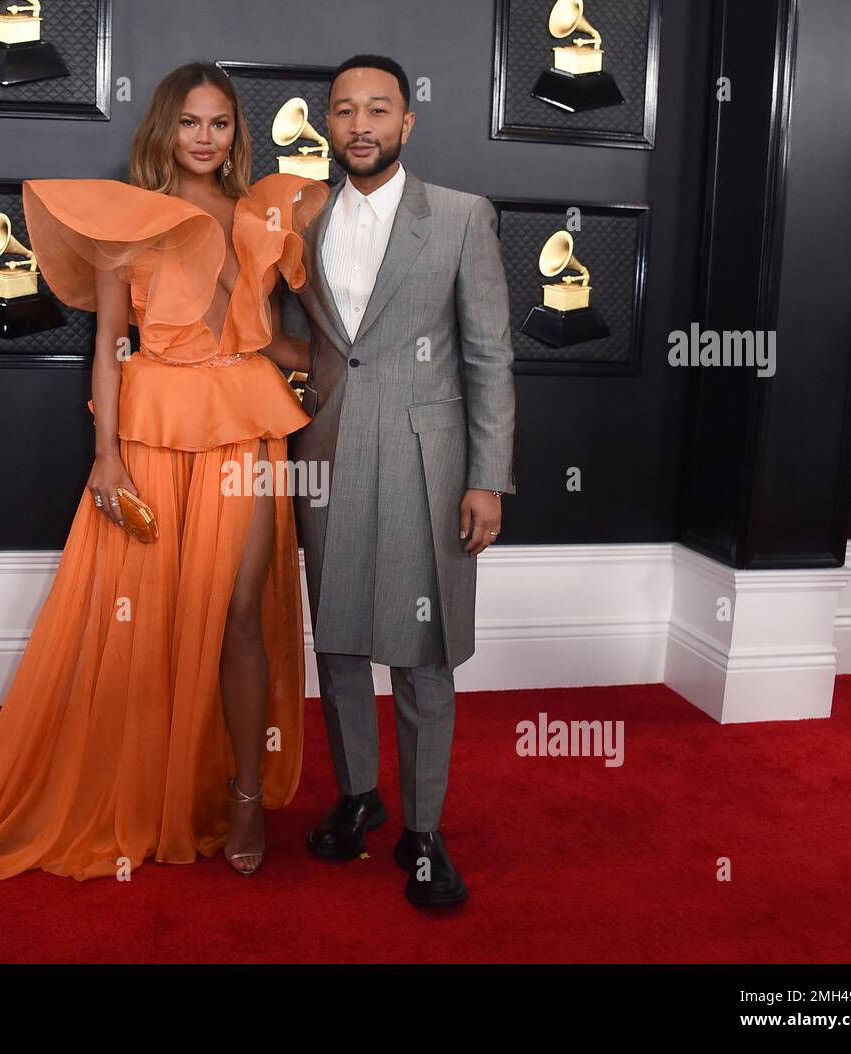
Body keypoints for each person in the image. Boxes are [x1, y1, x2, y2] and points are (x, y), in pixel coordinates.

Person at [0, 62, 330, 890]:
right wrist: (106, 455)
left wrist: (336, 362)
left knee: (240, 616)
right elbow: (110, 348)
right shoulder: (127, 220)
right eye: (190, 121)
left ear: (235, 134)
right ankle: (151, 789)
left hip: (246, 428)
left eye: (220, 123)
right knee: (146, 619)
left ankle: (246, 794)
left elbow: (290, 309)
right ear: (164, 127)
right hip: (151, 428)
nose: (204, 137)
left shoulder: (263, 210)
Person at [285, 55, 517, 908]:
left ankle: (423, 832)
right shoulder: (299, 219)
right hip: (327, 454)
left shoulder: (460, 217)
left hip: (430, 459)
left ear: (406, 123)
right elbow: (297, 340)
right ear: (327, 124)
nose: (359, 126)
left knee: (422, 656)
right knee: (339, 640)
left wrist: (488, 477)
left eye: (377, 109)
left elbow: (490, 354)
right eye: (344, 111)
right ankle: (358, 798)